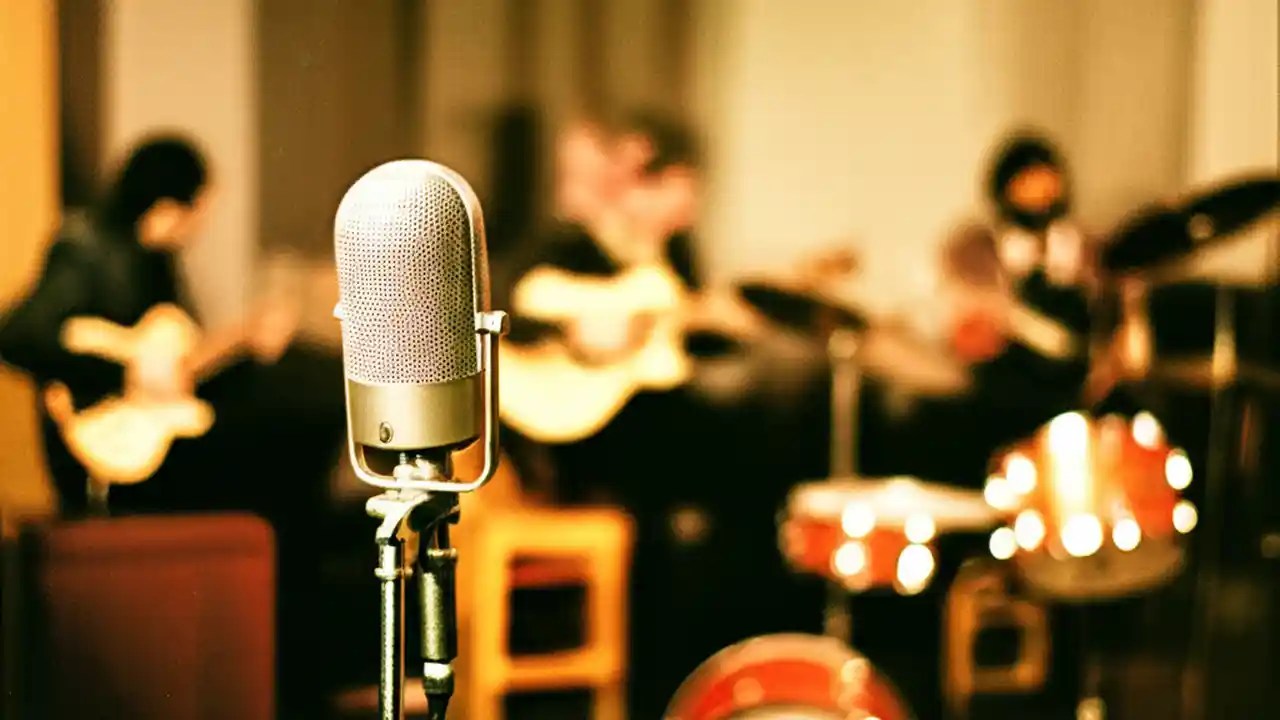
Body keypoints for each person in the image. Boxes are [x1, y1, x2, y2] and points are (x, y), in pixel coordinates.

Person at [0, 134, 345, 517]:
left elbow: (179, 366)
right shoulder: (85, 250)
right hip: (108, 452)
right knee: (293, 429)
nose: (198, 229)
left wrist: (241, 342)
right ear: (171, 207)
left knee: (304, 386)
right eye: (198, 212)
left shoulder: (156, 262)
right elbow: (18, 335)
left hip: (161, 429)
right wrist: (124, 372)